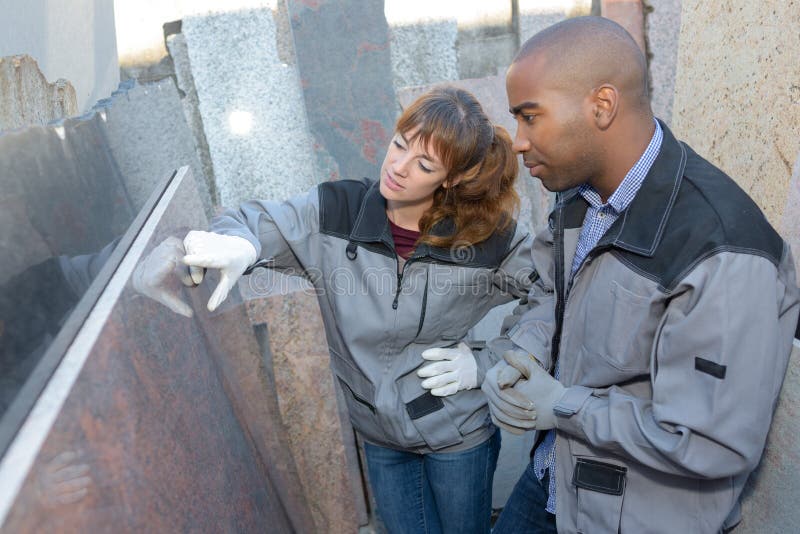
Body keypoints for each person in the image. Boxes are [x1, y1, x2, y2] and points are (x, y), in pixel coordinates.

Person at [478, 16, 800, 534]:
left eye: (529, 117)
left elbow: (709, 441)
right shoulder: (576, 193)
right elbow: (549, 292)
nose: (517, 141)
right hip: (551, 477)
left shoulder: (719, 248)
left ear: (601, 106)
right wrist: (527, 353)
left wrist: (562, 405)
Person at [180, 87, 536, 533]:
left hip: (455, 431)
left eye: (424, 165)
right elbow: (254, 220)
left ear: (450, 179)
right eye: (401, 144)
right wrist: (239, 243)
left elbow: (555, 294)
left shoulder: (485, 235)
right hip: (379, 433)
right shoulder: (338, 210)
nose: (398, 168)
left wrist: (489, 361)